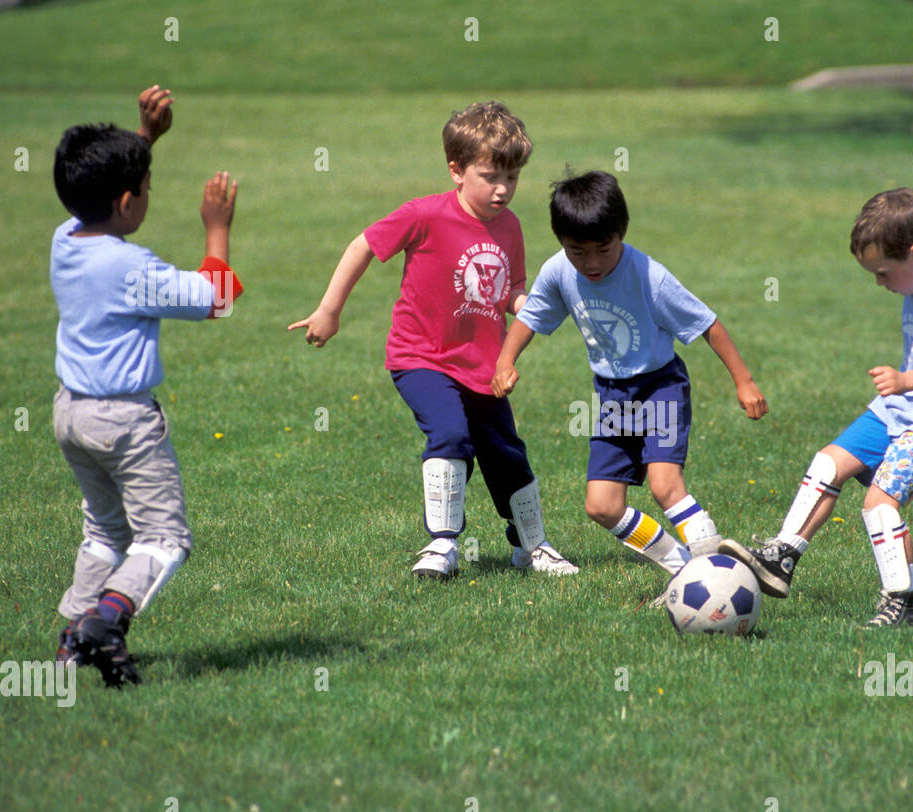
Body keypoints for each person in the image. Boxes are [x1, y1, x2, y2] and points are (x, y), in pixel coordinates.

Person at [289, 102, 576, 580]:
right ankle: (441, 545)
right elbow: (363, 245)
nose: (503, 188)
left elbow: (511, 291)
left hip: (483, 367)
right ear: (456, 171)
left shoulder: (511, 227)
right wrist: (329, 310)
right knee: (450, 434)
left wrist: (535, 308)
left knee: (506, 452)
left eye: (513, 177)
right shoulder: (424, 214)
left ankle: (532, 545)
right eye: (490, 176)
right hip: (420, 358)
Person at [719, 188, 913, 629]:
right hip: (897, 409)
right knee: (827, 463)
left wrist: (903, 382)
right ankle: (783, 556)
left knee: (879, 503)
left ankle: (906, 605)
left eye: (883, 272)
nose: (879, 283)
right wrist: (899, 391)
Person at [51, 86, 243, 686]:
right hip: (124, 422)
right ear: (128, 200)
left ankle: (71, 639)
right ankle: (107, 621)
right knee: (165, 539)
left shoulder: (65, 240)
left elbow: (100, 191)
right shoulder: (132, 268)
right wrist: (216, 227)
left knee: (105, 531)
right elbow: (216, 299)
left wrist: (144, 140)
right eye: (146, 189)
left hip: (70, 415)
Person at [492, 171, 766, 575]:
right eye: (577, 251)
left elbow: (708, 324)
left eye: (603, 249)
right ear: (561, 242)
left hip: (660, 387)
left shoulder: (648, 276)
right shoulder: (558, 271)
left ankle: (715, 560)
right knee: (601, 506)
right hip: (611, 396)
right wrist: (505, 361)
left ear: (621, 232)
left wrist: (744, 381)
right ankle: (683, 568)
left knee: (664, 485)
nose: (592, 263)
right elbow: (530, 317)